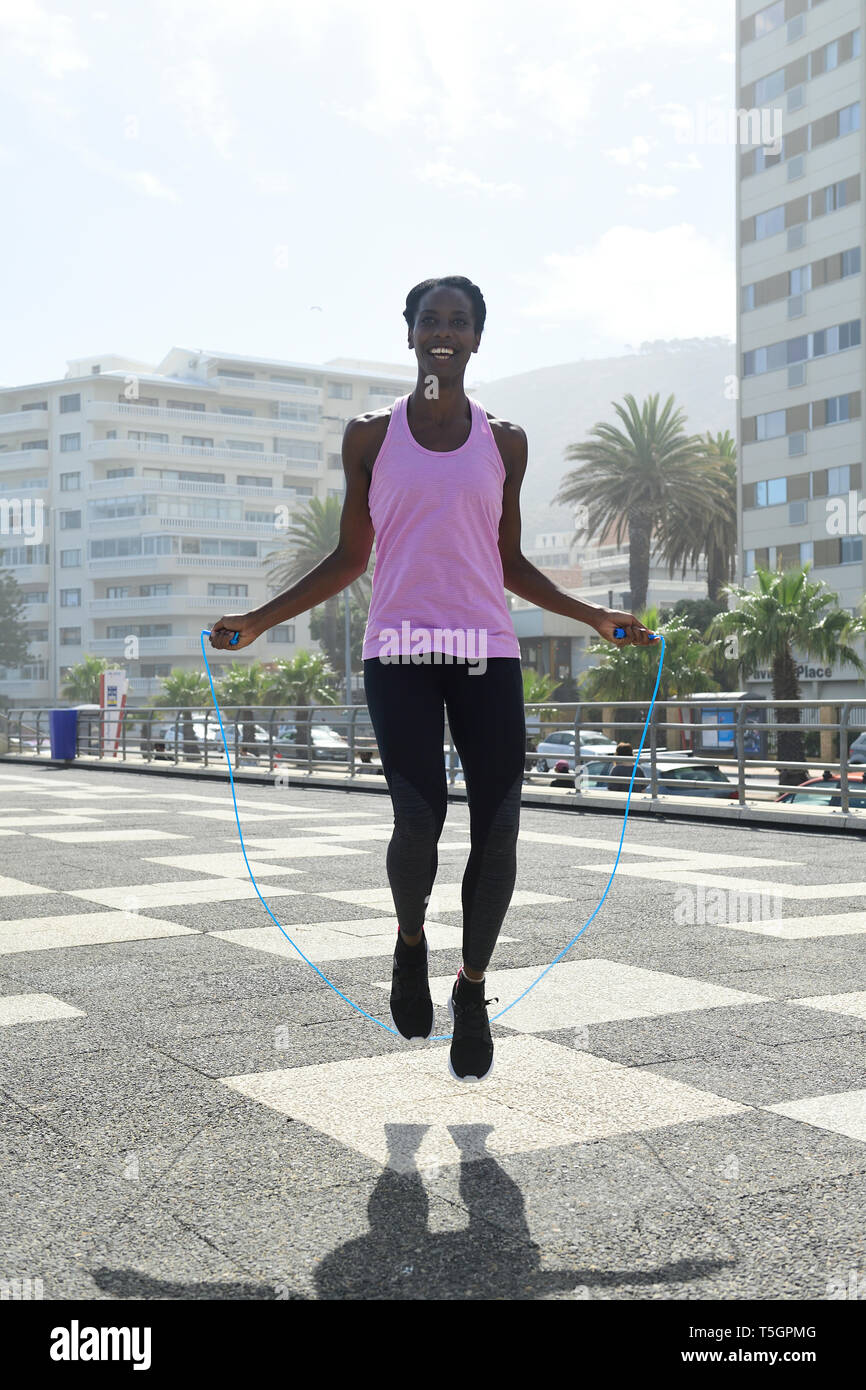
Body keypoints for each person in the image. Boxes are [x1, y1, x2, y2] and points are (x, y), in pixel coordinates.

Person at [209, 275, 653, 1082]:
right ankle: (410, 942)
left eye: (459, 321)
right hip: (401, 651)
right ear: (409, 333)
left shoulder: (505, 442)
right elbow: (350, 558)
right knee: (420, 818)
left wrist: (593, 616)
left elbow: (509, 561)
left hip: (487, 651)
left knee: (501, 826)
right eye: (430, 320)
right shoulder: (370, 438)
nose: (443, 331)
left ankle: (473, 987)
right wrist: (257, 622)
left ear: (478, 339)